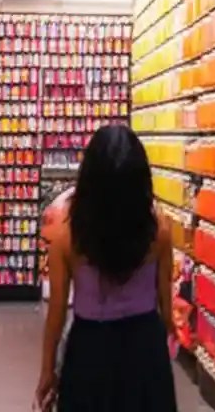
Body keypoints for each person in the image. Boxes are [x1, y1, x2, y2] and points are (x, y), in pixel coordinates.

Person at [35, 125, 177, 411]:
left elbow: (57, 314)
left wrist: (47, 371)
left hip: (90, 350)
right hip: (144, 348)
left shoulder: (66, 238)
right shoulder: (158, 232)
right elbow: (165, 307)